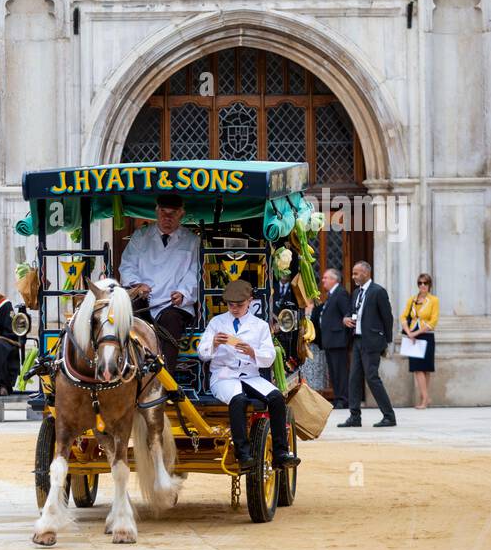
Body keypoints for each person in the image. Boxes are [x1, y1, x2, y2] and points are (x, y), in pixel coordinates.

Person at [198, 280, 300, 472]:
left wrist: (253, 352)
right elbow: (202, 353)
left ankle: (280, 453)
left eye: (240, 305)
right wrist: (214, 343)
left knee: (277, 398)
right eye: (231, 305)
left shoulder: (259, 325)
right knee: (238, 401)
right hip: (224, 376)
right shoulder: (217, 322)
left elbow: (269, 357)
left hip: (250, 375)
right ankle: (243, 454)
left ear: (250, 301)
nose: (235, 309)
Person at [119, 191, 199, 374]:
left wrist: (184, 292)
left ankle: (164, 379)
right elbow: (127, 266)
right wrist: (137, 285)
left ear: (181, 214)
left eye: (172, 214)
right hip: (143, 298)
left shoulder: (192, 240)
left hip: (174, 303)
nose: (167, 218)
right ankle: (129, 371)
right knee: (128, 313)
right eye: (163, 213)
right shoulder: (141, 236)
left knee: (171, 320)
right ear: (156, 211)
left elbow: (195, 271)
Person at [340, 260, 396, 428]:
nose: (353, 276)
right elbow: (352, 312)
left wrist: (387, 342)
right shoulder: (357, 293)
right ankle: (354, 416)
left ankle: (389, 416)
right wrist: (346, 319)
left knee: (372, 378)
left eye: (356, 273)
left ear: (366, 273)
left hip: (372, 341)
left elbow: (388, 317)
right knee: (354, 378)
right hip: (357, 340)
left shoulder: (378, 291)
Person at [311, 267, 353, 408]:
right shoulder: (331, 294)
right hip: (329, 341)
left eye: (325, 278)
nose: (323, 280)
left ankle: (343, 399)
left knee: (340, 371)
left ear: (334, 279)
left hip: (338, 341)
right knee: (334, 372)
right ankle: (338, 398)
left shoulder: (340, 293)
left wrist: (344, 338)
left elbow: (347, 314)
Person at [401, 273, 439, 409]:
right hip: (413, 336)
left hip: (426, 335)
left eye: (425, 283)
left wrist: (415, 333)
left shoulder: (434, 300)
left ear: (429, 285)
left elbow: (433, 321)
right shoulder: (412, 300)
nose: (423, 285)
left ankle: (424, 398)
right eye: (420, 283)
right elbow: (403, 316)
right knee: (417, 368)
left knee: (426, 369)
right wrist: (409, 332)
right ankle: (425, 398)